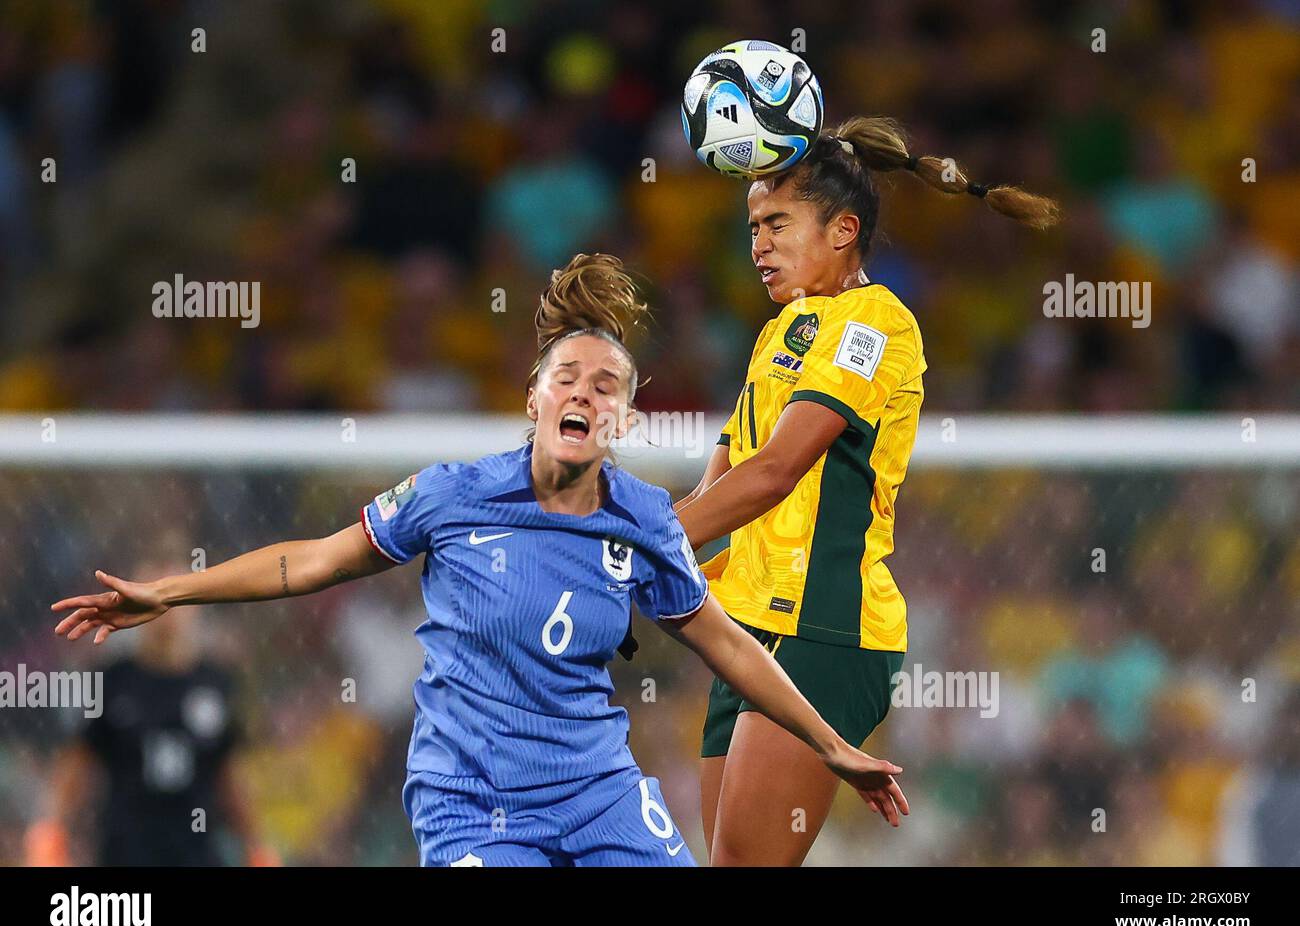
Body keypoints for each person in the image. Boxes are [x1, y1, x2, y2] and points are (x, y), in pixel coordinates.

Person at [52, 253, 908, 867]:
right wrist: (168, 593)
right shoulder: (452, 496)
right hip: (472, 800)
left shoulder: (646, 521)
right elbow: (309, 562)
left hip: (598, 791)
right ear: (532, 398)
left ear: (625, 422)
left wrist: (830, 745)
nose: (583, 391)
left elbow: (727, 647)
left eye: (607, 385)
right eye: (566, 376)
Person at [675, 117, 1058, 866]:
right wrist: (651, 544)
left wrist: (635, 543)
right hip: (748, 634)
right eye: (753, 226)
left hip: (827, 632)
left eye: (778, 223)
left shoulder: (876, 324)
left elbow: (776, 471)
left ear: (844, 229)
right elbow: (721, 477)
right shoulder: (778, 333)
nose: (758, 245)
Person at [27, 561, 276, 866]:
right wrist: (50, 832)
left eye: (175, 599)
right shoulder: (113, 680)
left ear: (195, 607)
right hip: (125, 852)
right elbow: (77, 765)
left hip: (196, 853)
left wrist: (256, 845)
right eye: (155, 595)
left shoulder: (216, 683)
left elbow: (229, 774)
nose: (167, 614)